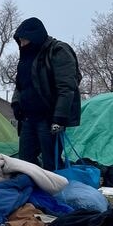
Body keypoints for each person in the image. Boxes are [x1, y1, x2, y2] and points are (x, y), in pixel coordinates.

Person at [11, 17, 81, 171]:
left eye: (24, 41)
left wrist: (59, 118)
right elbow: (21, 84)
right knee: (25, 163)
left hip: (49, 119)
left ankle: (54, 192)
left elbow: (67, 87)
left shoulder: (58, 51)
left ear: (35, 38)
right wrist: (16, 103)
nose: (22, 45)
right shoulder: (25, 58)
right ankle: (32, 192)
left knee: (51, 163)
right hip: (28, 118)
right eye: (20, 41)